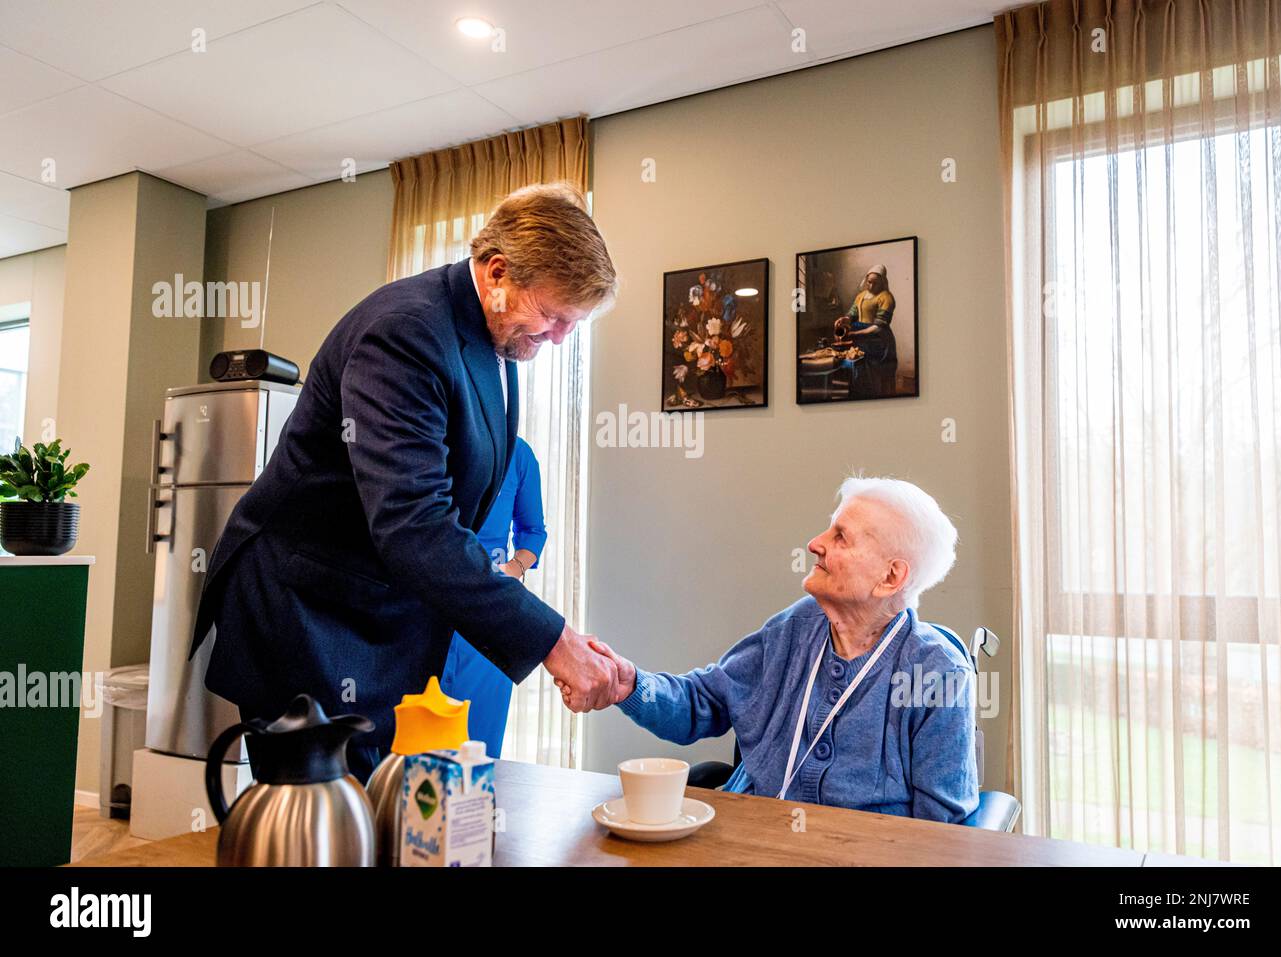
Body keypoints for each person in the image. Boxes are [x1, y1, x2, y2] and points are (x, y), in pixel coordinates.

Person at [190, 183, 622, 780]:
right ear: (497, 272)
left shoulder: (494, 336)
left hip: (379, 607)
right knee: (318, 819)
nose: (557, 339)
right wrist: (553, 641)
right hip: (308, 608)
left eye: (572, 324)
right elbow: (414, 523)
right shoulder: (404, 333)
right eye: (552, 317)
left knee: (380, 810)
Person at [568, 476, 979, 823]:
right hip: (747, 837)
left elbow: (939, 832)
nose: (816, 543)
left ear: (891, 577)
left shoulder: (937, 672)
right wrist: (629, 684)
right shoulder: (797, 627)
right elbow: (702, 703)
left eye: (841, 537)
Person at [441, 436, 546, 758]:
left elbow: (533, 531)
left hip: (492, 610)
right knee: (424, 741)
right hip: (428, 601)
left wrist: (514, 567)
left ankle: (478, 806)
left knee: (480, 744)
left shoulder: (519, 453)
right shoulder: (435, 440)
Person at [844, 265, 897, 397]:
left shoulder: (886, 298)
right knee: (858, 369)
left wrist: (855, 334)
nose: (871, 285)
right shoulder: (861, 296)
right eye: (869, 282)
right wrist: (844, 319)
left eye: (875, 283)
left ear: (883, 282)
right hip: (860, 339)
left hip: (878, 340)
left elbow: (878, 327)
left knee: (875, 373)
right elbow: (852, 314)